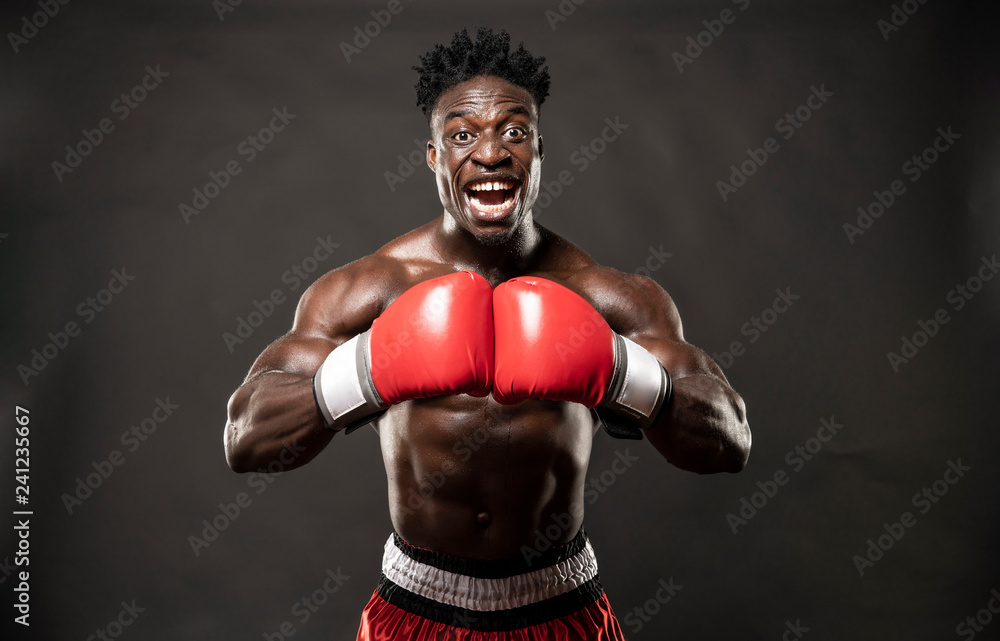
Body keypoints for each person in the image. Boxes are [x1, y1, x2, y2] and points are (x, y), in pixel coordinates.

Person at [224, 27, 751, 640]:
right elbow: (246, 438)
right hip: (415, 608)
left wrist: (617, 372)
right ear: (433, 155)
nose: (492, 153)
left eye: (515, 131)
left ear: (540, 151)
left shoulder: (606, 295)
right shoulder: (369, 290)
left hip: (560, 603)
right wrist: (367, 370)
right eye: (462, 135)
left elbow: (729, 442)